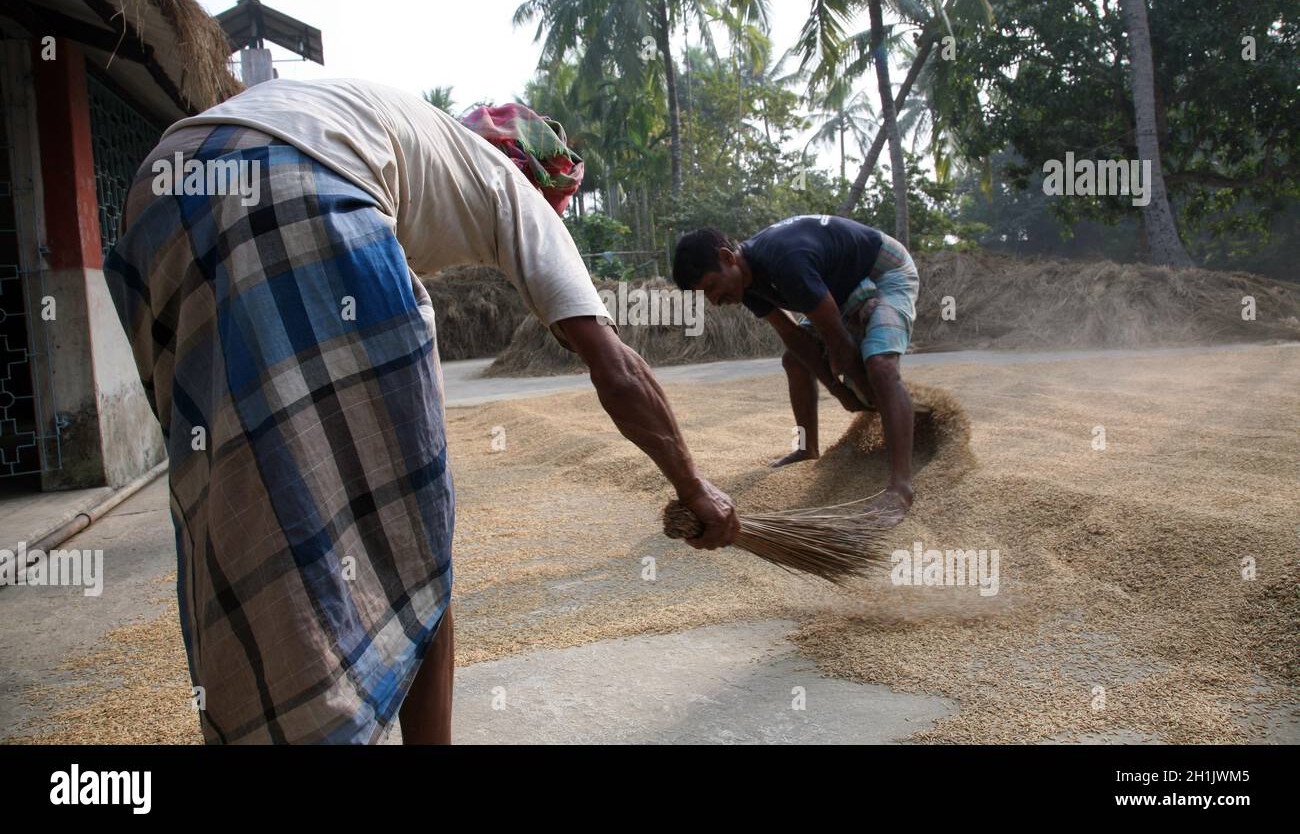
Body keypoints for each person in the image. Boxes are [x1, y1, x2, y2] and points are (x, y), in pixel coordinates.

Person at [105, 78, 738, 745]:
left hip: (157, 195)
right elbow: (615, 365)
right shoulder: (509, 187)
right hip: (301, 183)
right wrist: (694, 486)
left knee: (234, 496)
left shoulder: (402, 140)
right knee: (417, 531)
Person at [671, 214, 919, 516]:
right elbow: (793, 336)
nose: (713, 301)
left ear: (727, 258)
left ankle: (901, 487)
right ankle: (807, 447)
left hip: (882, 270)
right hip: (839, 290)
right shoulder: (745, 283)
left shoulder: (785, 261)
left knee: (879, 366)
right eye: (706, 296)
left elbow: (837, 340)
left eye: (711, 287)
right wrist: (839, 391)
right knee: (794, 360)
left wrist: (862, 393)